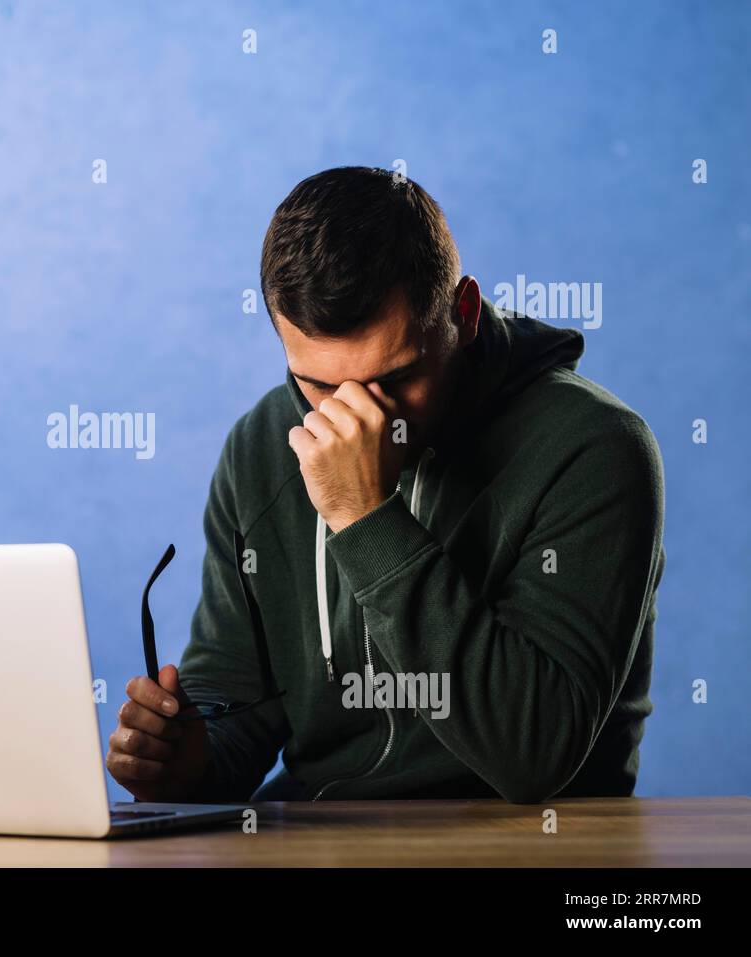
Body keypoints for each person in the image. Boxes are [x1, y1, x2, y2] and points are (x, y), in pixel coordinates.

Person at [106, 166, 665, 804]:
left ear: (465, 312)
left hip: (527, 848)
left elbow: (534, 754)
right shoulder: (262, 445)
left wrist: (366, 518)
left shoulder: (594, 447)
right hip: (319, 841)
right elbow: (238, 705)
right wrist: (186, 757)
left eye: (393, 379)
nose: (358, 419)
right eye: (318, 385)